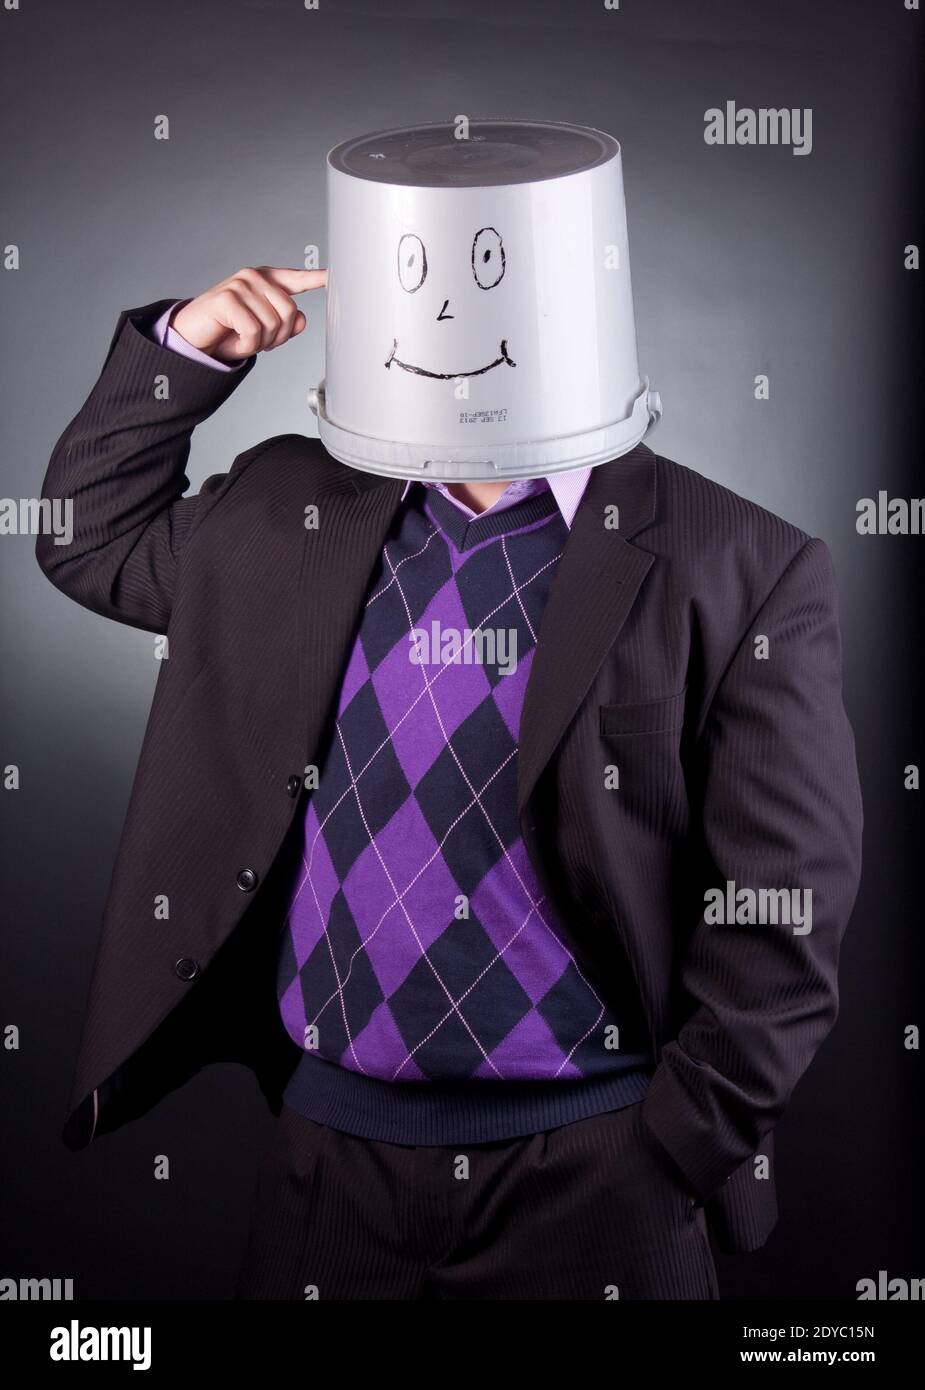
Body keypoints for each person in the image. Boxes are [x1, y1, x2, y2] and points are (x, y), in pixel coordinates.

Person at [35, 264, 863, 1300]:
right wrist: (188, 353)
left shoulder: (736, 560)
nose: (458, 318)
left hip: (598, 1180)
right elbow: (87, 534)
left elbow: (785, 910)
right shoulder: (286, 507)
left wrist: (676, 1149)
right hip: (327, 1163)